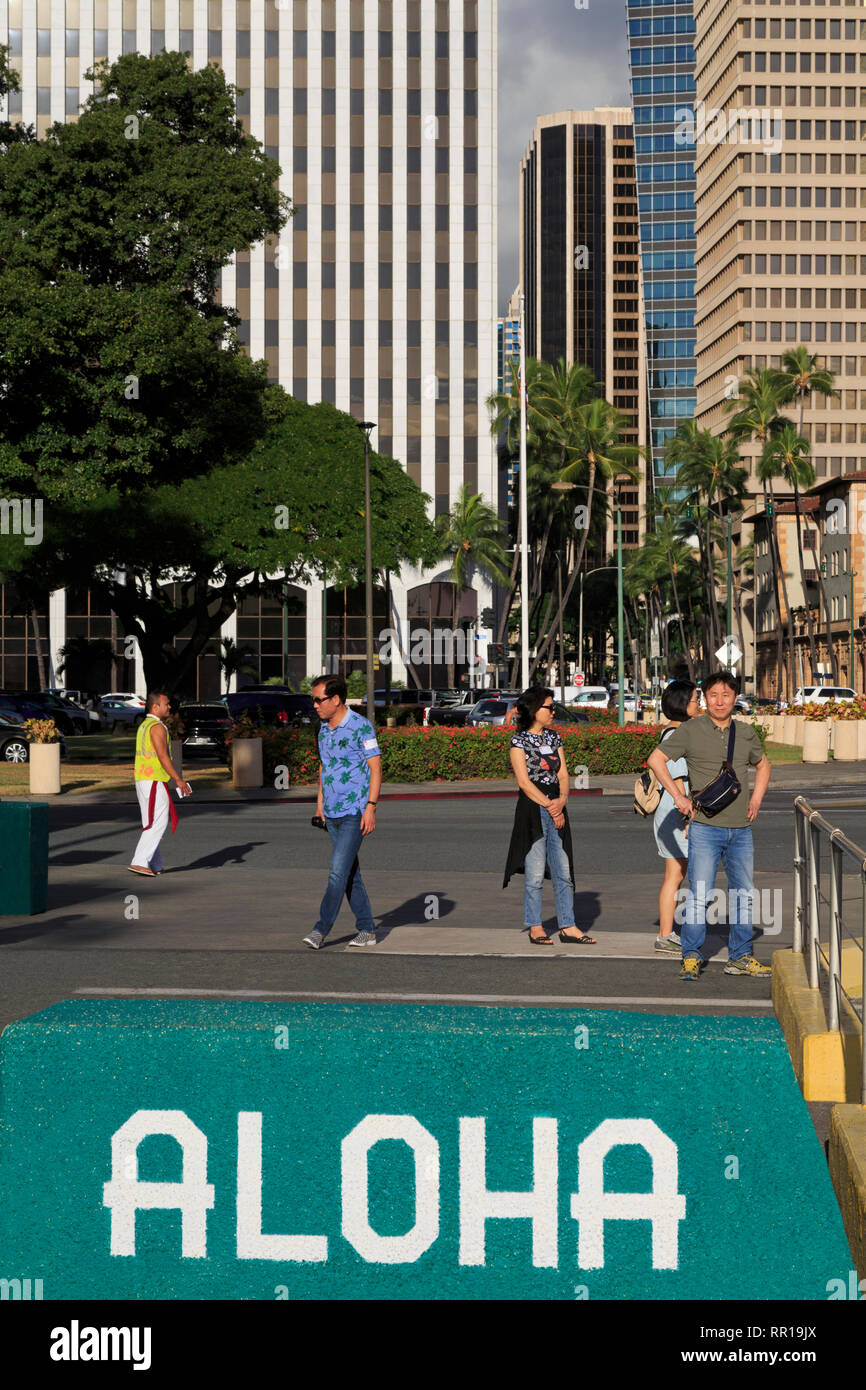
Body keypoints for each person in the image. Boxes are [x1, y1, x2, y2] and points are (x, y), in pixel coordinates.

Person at [647, 670, 772, 982]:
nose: (720, 701)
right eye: (713, 695)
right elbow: (656, 760)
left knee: (743, 894)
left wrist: (756, 798)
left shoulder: (745, 733)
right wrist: (678, 797)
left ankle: (740, 956)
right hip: (704, 826)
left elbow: (763, 764)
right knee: (700, 894)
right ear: (705, 698)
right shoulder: (691, 730)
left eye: (726, 695)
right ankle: (691, 956)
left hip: (741, 829)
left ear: (734, 698)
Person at [503, 686, 595, 945]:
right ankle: (535, 926)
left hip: (557, 805)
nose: (553, 711)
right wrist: (549, 805)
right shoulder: (518, 741)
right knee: (534, 874)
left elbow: (564, 774)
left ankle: (568, 926)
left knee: (563, 871)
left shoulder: (554, 738)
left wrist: (562, 800)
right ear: (534, 710)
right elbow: (524, 782)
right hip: (533, 810)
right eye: (549, 707)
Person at [303, 673, 382, 950]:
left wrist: (370, 808)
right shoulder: (323, 727)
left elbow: (375, 768)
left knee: (337, 872)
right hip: (332, 812)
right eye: (313, 700)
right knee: (350, 874)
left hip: (355, 812)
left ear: (336, 699)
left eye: (319, 700)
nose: (315, 705)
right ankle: (367, 930)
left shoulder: (361, 727)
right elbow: (325, 767)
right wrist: (319, 806)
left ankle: (320, 929)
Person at [652, 680, 700, 954]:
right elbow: (679, 780)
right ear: (683, 704)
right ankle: (666, 934)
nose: (699, 704)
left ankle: (667, 933)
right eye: (695, 700)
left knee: (676, 874)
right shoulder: (674, 736)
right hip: (676, 812)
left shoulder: (673, 731)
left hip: (673, 811)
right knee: (676, 875)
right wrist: (687, 817)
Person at [129, 691, 191, 877]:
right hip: (154, 780)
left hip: (144, 779)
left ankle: (154, 863)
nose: (169, 707)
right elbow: (162, 756)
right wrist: (178, 779)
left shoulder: (144, 725)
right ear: (155, 707)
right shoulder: (156, 727)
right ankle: (139, 861)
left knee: (151, 821)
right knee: (158, 821)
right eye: (166, 704)